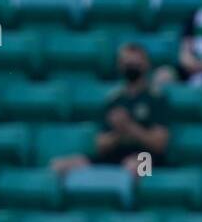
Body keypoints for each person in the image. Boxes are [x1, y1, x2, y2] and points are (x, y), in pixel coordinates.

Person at [49, 42, 169, 174]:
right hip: (115, 156)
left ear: (146, 64)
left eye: (135, 63)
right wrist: (118, 133)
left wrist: (130, 127)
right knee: (60, 166)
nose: (131, 67)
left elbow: (159, 144)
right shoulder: (114, 100)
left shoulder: (155, 98)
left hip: (146, 157)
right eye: (126, 63)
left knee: (133, 167)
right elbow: (100, 145)